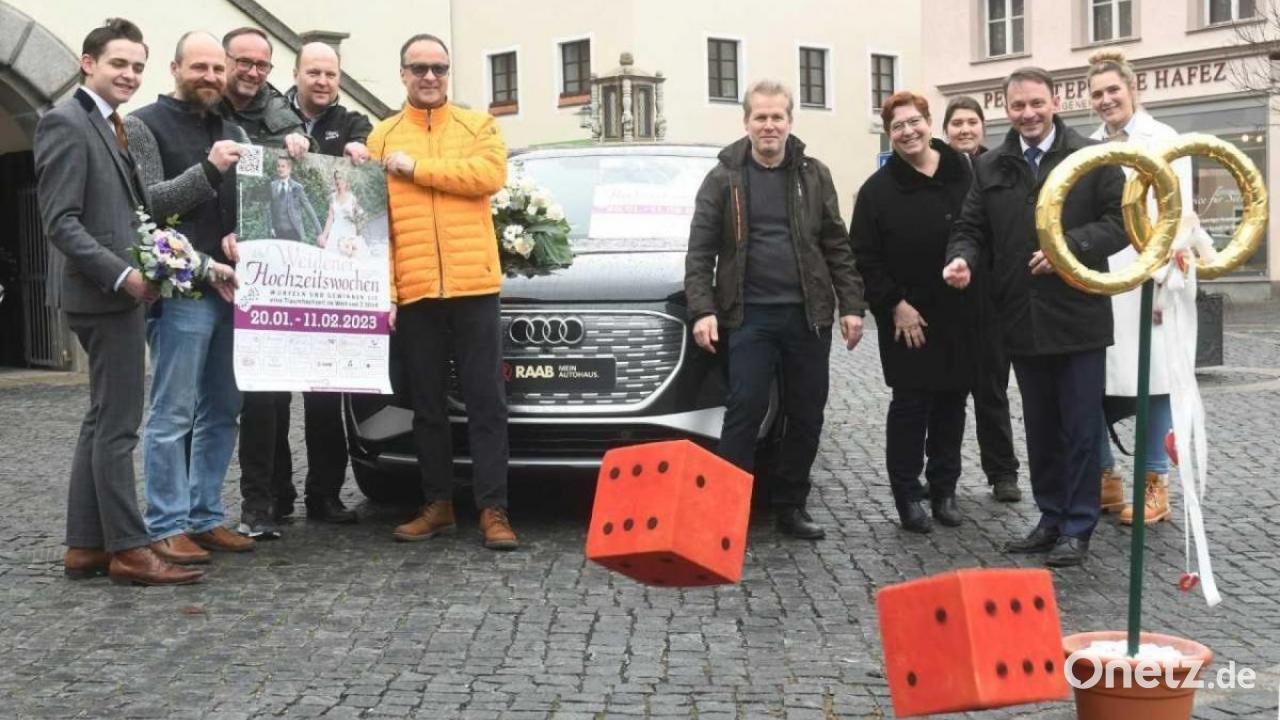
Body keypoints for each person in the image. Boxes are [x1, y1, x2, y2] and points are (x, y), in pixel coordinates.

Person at [34, 18, 209, 586]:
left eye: (136, 66)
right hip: (104, 297)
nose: (129, 75)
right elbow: (61, 223)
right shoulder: (66, 122)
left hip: (116, 294)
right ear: (88, 63)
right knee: (119, 427)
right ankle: (131, 550)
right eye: (118, 63)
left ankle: (85, 546)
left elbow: (130, 216)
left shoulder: (110, 126)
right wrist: (123, 277)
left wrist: (176, 260)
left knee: (100, 421)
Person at [943, 67, 1128, 567]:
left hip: (1078, 315)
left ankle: (1079, 524)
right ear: (1008, 109)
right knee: (1042, 427)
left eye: (1036, 104)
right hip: (1020, 316)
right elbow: (970, 226)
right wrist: (961, 257)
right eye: (1018, 106)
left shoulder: (1093, 156)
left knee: (1080, 426)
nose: (1027, 113)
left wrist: (1070, 248)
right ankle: (1050, 517)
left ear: (1054, 102)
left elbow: (1120, 224)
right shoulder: (993, 165)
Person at [685, 79, 867, 541]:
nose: (769, 125)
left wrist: (852, 305)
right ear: (746, 122)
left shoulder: (814, 174)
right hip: (746, 316)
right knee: (743, 411)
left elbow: (836, 244)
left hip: (808, 315)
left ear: (790, 121)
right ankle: (727, 511)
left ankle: (791, 504)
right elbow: (700, 251)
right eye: (760, 117)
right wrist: (702, 309)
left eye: (777, 117)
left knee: (807, 413)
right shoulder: (723, 177)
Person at [368, 33, 518, 550]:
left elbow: (488, 175)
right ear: (403, 74)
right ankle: (437, 504)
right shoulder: (381, 137)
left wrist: (418, 168)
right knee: (427, 405)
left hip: (473, 284)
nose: (430, 77)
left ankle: (493, 509)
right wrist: (388, 291)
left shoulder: (478, 125)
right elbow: (374, 225)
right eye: (419, 68)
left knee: (486, 403)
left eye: (438, 68)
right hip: (415, 289)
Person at [125, 30, 257, 559]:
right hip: (181, 293)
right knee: (172, 414)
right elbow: (149, 205)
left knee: (224, 411)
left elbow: (252, 204)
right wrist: (210, 168)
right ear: (175, 68)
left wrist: (240, 234)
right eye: (198, 68)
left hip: (233, 293)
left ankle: (205, 516)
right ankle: (166, 524)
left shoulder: (233, 127)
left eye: (216, 70)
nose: (210, 78)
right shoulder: (141, 125)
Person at [851, 92, 975, 534]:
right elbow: (864, 257)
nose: (908, 131)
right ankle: (907, 494)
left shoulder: (964, 170)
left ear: (929, 123)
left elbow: (982, 229)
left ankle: (944, 489)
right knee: (911, 404)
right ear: (890, 134)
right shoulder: (876, 192)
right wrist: (894, 305)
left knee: (952, 403)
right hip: (907, 317)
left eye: (914, 122)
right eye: (898, 126)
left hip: (960, 310)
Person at [1086, 49, 1194, 526]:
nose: (1106, 99)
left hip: (1149, 279)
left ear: (1133, 91)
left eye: (1113, 90)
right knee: (1090, 384)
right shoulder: (1088, 145)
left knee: (1156, 384)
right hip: (1102, 279)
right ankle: (1104, 479)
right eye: (1097, 94)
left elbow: (1179, 215)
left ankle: (1154, 484)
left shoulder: (1163, 140)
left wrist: (1163, 281)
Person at [216, 26, 312, 539]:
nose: (251, 72)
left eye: (262, 64)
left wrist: (302, 143)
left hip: (268, 272)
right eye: (242, 62)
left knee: (270, 393)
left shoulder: (279, 115)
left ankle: (270, 497)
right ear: (223, 61)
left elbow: (301, 172)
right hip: (211, 268)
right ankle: (232, 504)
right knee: (225, 398)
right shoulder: (202, 112)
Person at [289, 41, 373, 524]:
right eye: (314, 73)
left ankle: (324, 493)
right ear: (297, 74)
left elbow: (370, 168)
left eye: (331, 74)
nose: (323, 81)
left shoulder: (354, 122)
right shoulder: (275, 119)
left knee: (327, 396)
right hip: (287, 278)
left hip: (335, 285)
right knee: (270, 400)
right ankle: (271, 496)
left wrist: (362, 151)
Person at [942, 97, 1023, 504]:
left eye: (971, 122)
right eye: (956, 123)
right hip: (949, 294)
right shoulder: (935, 170)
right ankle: (943, 477)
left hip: (992, 295)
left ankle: (1002, 471)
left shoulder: (999, 166)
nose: (964, 130)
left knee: (992, 388)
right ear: (946, 130)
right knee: (948, 392)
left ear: (983, 128)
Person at [267, 155, 320, 242]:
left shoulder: (297, 187)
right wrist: (271, 227)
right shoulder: (272, 186)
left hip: (294, 233)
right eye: (278, 166)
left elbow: (309, 210)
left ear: (289, 169)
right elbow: (269, 209)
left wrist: (320, 233)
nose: (280, 169)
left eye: (283, 166)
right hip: (277, 233)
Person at [318, 169, 369, 258]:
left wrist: (358, 226)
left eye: (340, 178)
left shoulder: (352, 198)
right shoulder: (332, 198)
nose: (338, 180)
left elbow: (360, 216)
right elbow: (330, 218)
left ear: (345, 180)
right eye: (336, 178)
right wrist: (324, 235)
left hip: (349, 231)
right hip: (336, 231)